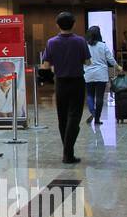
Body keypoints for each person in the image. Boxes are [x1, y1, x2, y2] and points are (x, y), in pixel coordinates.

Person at [41, 11, 90, 164]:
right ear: (74, 24)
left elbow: (46, 65)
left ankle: (67, 152)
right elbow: (88, 62)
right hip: (77, 81)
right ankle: (68, 153)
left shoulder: (51, 42)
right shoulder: (80, 41)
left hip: (61, 83)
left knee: (62, 117)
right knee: (74, 116)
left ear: (57, 25)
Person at [82, 26, 121, 125]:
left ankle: (93, 112)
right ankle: (97, 119)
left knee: (90, 95)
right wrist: (117, 67)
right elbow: (110, 59)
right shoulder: (102, 46)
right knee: (99, 97)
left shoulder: (85, 46)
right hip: (101, 74)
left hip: (88, 74)